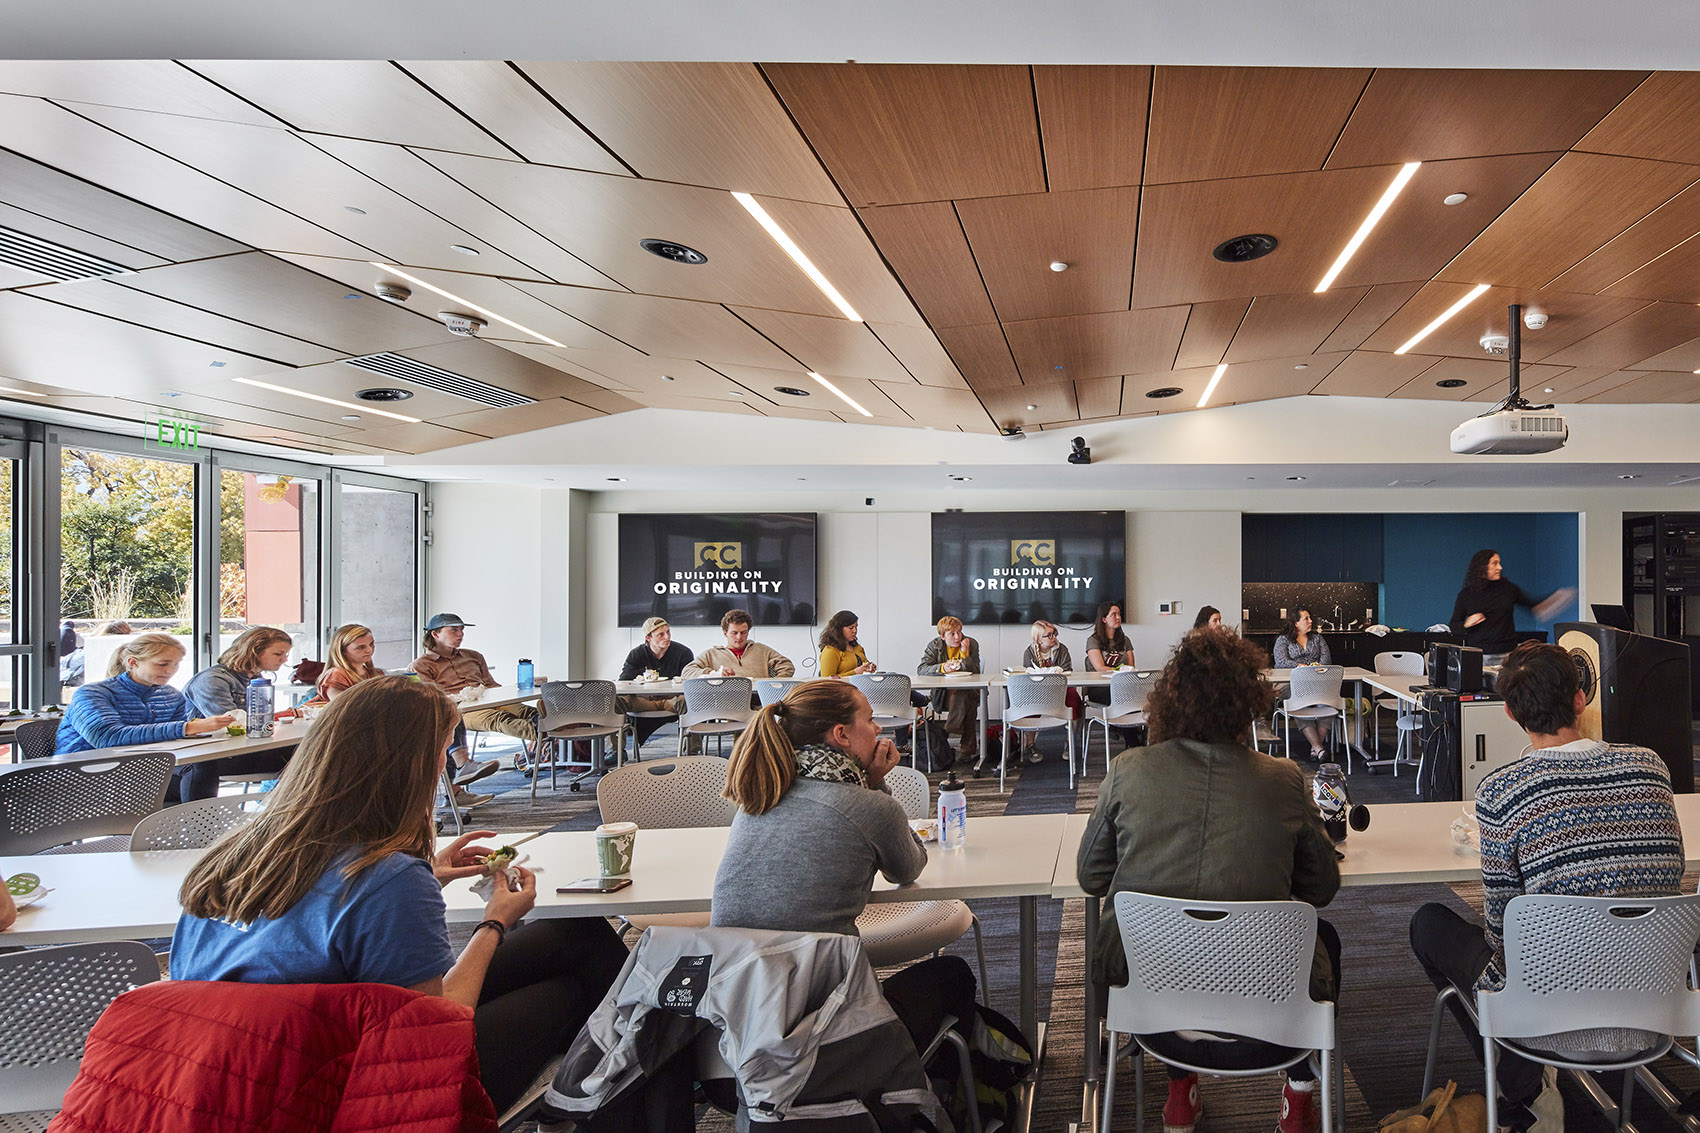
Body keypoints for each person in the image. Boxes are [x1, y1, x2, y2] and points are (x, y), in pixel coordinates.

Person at [170, 675, 629, 1115]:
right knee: (568, 993)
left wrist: (427, 875)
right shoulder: (389, 879)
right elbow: (430, 1027)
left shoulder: (237, 852)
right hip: (349, 1087)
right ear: (411, 763)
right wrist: (495, 922)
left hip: (235, 1071)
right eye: (442, 750)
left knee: (574, 935)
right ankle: (621, 1098)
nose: (445, 762)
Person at [1408, 642, 1682, 1133]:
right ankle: (1531, 1088)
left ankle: (1527, 1091)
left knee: (1430, 923)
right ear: (1581, 699)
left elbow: (1501, 935)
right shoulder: (1652, 767)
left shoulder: (1502, 790)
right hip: (1654, 1003)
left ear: (1511, 713)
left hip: (1547, 1013)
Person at [1077, 629, 1341, 1133]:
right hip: (1269, 1001)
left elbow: (1090, 876)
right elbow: (1321, 890)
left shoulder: (1128, 770)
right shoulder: (1283, 779)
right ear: (1248, 701)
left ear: (1170, 698)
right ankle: (1300, 1093)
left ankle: (1180, 1092)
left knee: (1164, 930)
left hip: (1145, 997)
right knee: (1321, 938)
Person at [712, 679, 973, 1049]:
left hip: (733, 1033)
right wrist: (877, 785)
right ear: (842, 735)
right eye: (869, 719)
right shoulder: (871, 807)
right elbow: (908, 869)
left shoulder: (759, 796)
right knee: (953, 974)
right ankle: (915, 1092)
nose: (879, 728)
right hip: (825, 1038)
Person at [56, 634, 235, 802]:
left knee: (202, 765)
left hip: (139, 770)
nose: (170, 671)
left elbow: (175, 741)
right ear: (133, 662)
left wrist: (193, 732)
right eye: (162, 664)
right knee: (198, 769)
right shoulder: (91, 694)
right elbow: (107, 737)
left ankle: (202, 828)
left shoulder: (171, 695)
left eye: (176, 664)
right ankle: (202, 829)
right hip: (84, 777)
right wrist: (186, 728)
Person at [178, 626, 298, 802]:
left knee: (316, 751)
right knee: (310, 754)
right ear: (254, 651)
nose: (284, 659)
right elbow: (233, 726)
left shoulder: (253, 680)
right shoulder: (213, 680)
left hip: (244, 749)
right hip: (217, 756)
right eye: (278, 654)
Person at [412, 613, 528, 792]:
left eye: (462, 630)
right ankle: (549, 735)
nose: (460, 634)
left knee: (527, 712)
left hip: (489, 699)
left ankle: (557, 733)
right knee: (502, 719)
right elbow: (433, 699)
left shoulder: (474, 656)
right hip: (461, 711)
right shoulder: (421, 665)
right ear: (435, 634)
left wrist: (512, 692)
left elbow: (490, 684)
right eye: (454, 630)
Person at [1449, 550, 1576, 666]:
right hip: (1479, 656)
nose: (1500, 567)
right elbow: (1454, 625)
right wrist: (1467, 623)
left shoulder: (1508, 588)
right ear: (1482, 566)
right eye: (1495, 563)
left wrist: (1559, 598)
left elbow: (1535, 606)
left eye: (1499, 563)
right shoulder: (1466, 595)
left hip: (1507, 654)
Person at [616, 616, 694, 751]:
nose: (667, 637)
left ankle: (693, 751)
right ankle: (616, 751)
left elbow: (689, 682)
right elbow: (624, 682)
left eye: (668, 632)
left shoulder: (683, 653)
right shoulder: (636, 654)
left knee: (690, 701)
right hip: (643, 701)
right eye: (661, 634)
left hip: (672, 700)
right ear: (648, 638)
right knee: (616, 701)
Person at [917, 616, 981, 769]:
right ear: (942, 636)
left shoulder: (970, 643)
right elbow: (921, 669)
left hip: (967, 691)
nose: (958, 637)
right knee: (968, 705)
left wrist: (965, 654)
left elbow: (976, 672)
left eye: (959, 632)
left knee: (964, 696)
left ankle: (949, 730)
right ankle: (966, 750)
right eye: (952, 634)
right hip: (942, 695)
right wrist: (942, 668)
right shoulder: (935, 646)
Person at [1274, 608, 1333, 760]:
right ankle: (1319, 747)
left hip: (1316, 681)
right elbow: (1281, 662)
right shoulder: (1283, 639)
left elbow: (1326, 660)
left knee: (1328, 702)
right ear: (1296, 623)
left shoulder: (1317, 638)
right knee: (1300, 701)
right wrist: (1301, 666)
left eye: (1309, 618)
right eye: (1306, 619)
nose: (1310, 621)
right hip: (1289, 683)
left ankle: (1316, 748)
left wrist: (1314, 668)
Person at [1019, 621, 1080, 763]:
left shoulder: (1062, 649)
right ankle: (1030, 745)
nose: (1053, 637)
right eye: (1049, 635)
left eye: (1055, 634)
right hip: (1037, 690)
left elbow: (1067, 670)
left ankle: (1069, 742)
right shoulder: (1029, 652)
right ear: (1039, 639)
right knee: (1029, 702)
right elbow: (1029, 673)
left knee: (1075, 700)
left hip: (1061, 689)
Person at [683, 609, 796, 679]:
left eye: (743, 632)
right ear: (725, 633)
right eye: (734, 633)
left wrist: (773, 684)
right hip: (724, 704)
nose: (739, 637)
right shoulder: (711, 654)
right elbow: (687, 672)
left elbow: (787, 666)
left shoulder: (762, 650)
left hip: (757, 704)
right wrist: (713, 673)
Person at [316, 623, 380, 700]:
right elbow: (343, 708)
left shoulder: (375, 673)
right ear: (342, 651)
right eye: (360, 647)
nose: (369, 650)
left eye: (371, 644)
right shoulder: (336, 675)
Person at [818, 610, 877, 676]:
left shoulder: (858, 647)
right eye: (851, 628)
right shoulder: (830, 651)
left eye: (856, 627)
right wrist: (854, 672)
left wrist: (869, 668)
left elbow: (863, 667)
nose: (855, 631)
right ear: (839, 629)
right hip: (842, 686)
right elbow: (827, 680)